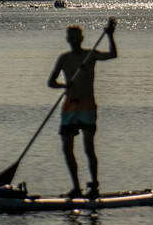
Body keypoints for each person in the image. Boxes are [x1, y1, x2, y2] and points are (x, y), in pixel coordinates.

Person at [47, 19, 117, 198]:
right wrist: (64, 85)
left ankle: (94, 186)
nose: (73, 40)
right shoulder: (64, 58)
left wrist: (109, 35)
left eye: (76, 37)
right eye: (71, 38)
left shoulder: (90, 55)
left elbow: (112, 55)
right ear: (68, 40)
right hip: (70, 106)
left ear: (81, 38)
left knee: (88, 148)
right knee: (67, 148)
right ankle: (76, 188)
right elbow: (51, 82)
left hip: (87, 106)